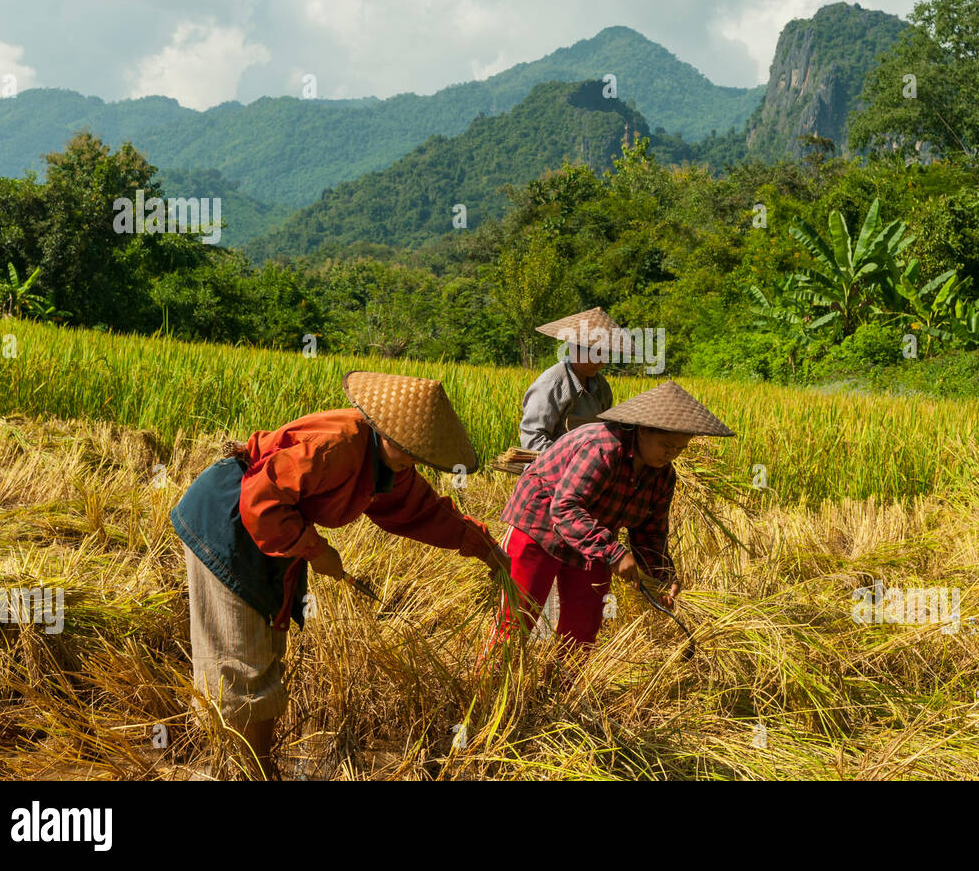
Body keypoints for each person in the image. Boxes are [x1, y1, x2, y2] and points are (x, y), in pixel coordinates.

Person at [171, 371, 506, 778]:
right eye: (409, 450)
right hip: (229, 526)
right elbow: (262, 499)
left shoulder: (389, 466)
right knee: (240, 664)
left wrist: (488, 550)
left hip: (275, 533)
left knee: (265, 659)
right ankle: (237, 772)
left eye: (420, 454)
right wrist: (316, 551)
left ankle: (259, 770)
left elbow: (425, 512)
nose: (413, 461)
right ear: (386, 428)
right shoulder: (338, 445)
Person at [486, 381, 735, 658]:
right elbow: (566, 508)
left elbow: (650, 533)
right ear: (642, 430)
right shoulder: (603, 447)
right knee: (519, 617)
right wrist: (615, 554)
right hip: (540, 523)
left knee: (584, 626)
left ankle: (562, 692)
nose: (671, 454)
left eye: (679, 449)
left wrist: (661, 577)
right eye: (666, 445)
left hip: (593, 534)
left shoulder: (663, 475)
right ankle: (490, 689)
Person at [519, 307, 619, 452]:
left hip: (589, 464)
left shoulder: (601, 386)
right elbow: (533, 439)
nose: (601, 361)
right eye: (595, 353)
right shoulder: (552, 383)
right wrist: (569, 460)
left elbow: (606, 431)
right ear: (574, 349)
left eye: (605, 353)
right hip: (551, 468)